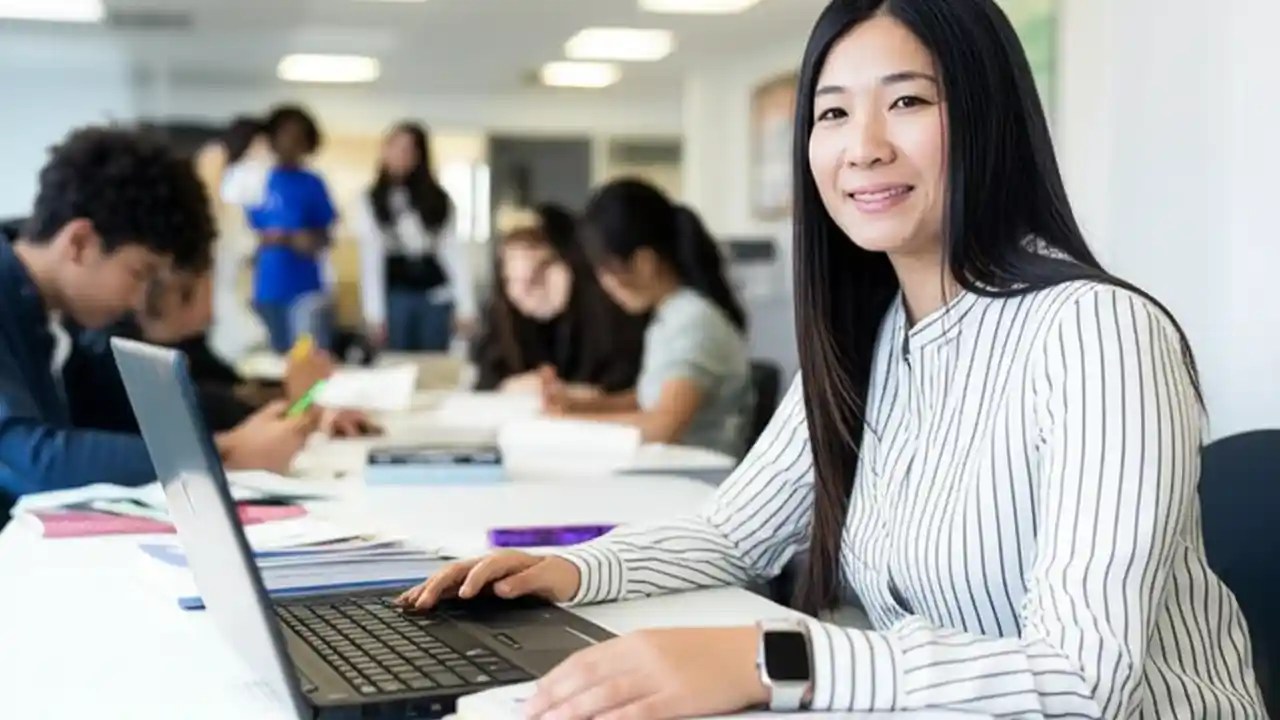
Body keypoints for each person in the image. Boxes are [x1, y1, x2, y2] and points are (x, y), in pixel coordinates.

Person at [396, 1, 1267, 718]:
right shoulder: (873, 338)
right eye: (834, 112)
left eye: (908, 102)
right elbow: (732, 531)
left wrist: (770, 660)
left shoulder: (1098, 333)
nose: (864, 146)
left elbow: (1082, 679)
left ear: (990, 120)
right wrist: (576, 569)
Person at [0, 127, 314, 521]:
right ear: (79, 243)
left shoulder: (61, 316)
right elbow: (26, 459)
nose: (137, 301)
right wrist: (218, 458)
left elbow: (127, 407)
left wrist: (248, 429)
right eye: (139, 273)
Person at [541, 179, 753, 457]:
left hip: (694, 476)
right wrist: (579, 407)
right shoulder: (673, 315)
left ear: (644, 262)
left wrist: (567, 425)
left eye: (605, 269)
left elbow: (662, 426)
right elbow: (650, 399)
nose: (604, 284)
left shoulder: (693, 322)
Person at [85, 254, 379, 438]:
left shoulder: (189, 348)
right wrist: (301, 402)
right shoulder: (130, 367)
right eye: (208, 289)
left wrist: (311, 408)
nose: (213, 311)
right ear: (176, 293)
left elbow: (235, 391)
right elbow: (221, 416)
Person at [471, 203, 647, 395]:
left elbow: (631, 384)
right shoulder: (501, 318)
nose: (523, 290)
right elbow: (486, 378)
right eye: (511, 279)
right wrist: (511, 386)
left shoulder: (614, 312)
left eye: (539, 271)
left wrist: (579, 395)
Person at [354, 122, 477, 352]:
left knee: (434, 360)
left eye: (409, 150)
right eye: (395, 147)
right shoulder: (371, 200)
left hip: (434, 293)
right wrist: (374, 315)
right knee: (396, 359)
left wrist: (466, 307)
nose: (401, 156)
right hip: (396, 293)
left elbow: (454, 254)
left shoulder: (438, 200)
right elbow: (371, 260)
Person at [246, 105, 337, 354]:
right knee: (270, 360)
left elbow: (325, 236)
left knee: (307, 358)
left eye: (298, 137)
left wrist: (295, 239)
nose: (290, 143)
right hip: (267, 289)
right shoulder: (257, 182)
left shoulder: (313, 184)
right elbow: (245, 237)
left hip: (305, 290)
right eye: (284, 135)